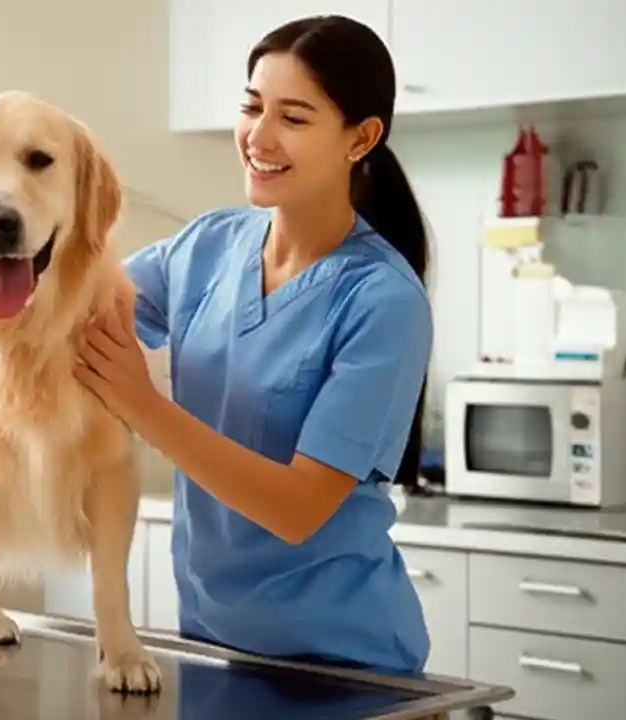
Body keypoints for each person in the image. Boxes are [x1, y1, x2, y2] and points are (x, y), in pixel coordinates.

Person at [73, 14, 434, 675]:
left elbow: (298, 508)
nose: (259, 137)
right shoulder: (206, 245)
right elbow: (78, 313)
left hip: (343, 666)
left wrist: (141, 404)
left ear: (362, 137)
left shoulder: (384, 301)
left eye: (293, 118)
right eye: (252, 106)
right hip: (213, 647)